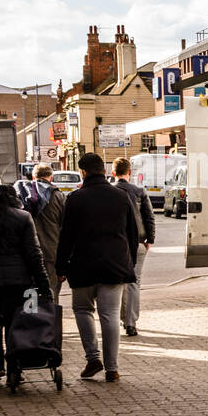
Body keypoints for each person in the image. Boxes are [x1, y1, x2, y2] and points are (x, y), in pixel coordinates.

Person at [54, 152, 138, 382]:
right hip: (115, 265)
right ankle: (112, 368)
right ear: (103, 169)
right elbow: (132, 233)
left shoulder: (75, 199)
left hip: (83, 265)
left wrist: (61, 267)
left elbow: (66, 237)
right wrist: (130, 261)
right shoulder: (122, 197)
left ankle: (93, 358)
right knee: (109, 315)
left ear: (83, 171)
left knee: (82, 310)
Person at [0, 185, 53, 384]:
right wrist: (43, 283)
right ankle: (15, 369)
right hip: (18, 281)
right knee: (15, 323)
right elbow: (33, 254)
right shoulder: (23, 217)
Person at [112, 157, 154, 337]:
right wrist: (149, 239)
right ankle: (131, 322)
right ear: (129, 172)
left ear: (113, 173)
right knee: (134, 282)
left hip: (116, 243)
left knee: (118, 282)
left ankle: (121, 318)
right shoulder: (139, 191)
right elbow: (149, 217)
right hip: (137, 242)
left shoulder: (110, 191)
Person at [24, 165, 66, 298]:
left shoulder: (23, 194)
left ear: (34, 177)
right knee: (51, 291)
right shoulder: (59, 197)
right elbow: (65, 227)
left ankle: (31, 317)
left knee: (29, 293)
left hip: (27, 251)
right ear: (51, 177)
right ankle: (50, 318)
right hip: (51, 251)